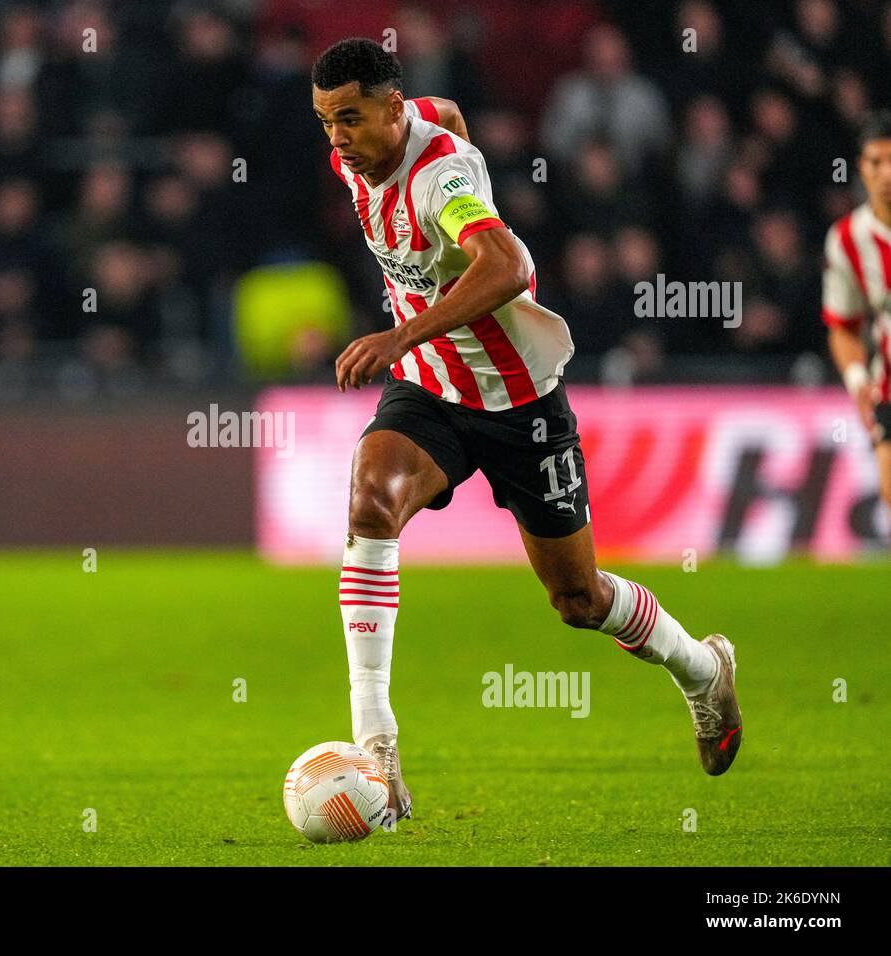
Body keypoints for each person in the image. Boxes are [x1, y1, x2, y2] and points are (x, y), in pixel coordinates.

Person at [312, 39, 742, 820]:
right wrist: (417, 352)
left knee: (578, 599)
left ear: (390, 108)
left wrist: (400, 334)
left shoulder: (441, 176)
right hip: (430, 393)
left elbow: (508, 266)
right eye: (325, 121)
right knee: (370, 502)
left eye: (349, 118)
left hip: (519, 403)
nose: (336, 138)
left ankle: (702, 669)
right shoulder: (367, 151)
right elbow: (448, 111)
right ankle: (373, 735)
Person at [822, 110, 891, 522]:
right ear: (861, 168)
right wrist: (857, 379)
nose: (886, 174)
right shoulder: (848, 239)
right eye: (875, 162)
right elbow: (843, 325)